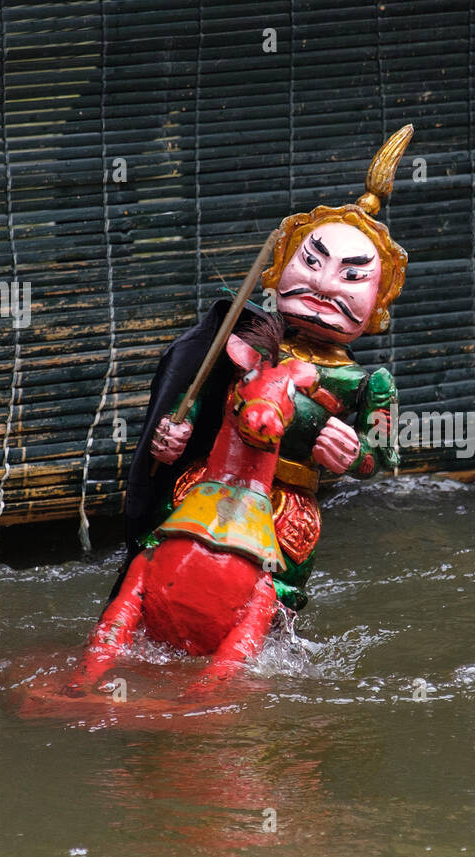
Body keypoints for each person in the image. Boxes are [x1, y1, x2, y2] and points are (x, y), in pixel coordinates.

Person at [143, 125, 414, 610]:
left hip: (286, 500)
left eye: (351, 276)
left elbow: (383, 458)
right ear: (281, 265)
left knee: (277, 591)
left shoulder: (368, 383)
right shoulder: (247, 339)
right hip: (213, 476)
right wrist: (173, 436)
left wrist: (353, 455)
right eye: (312, 262)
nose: (325, 285)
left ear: (377, 304)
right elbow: (197, 402)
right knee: (156, 551)